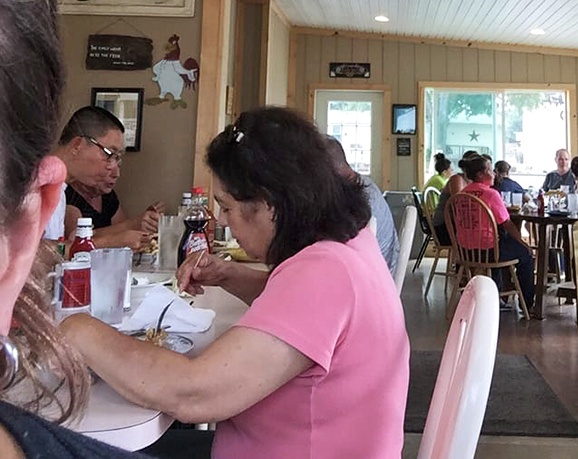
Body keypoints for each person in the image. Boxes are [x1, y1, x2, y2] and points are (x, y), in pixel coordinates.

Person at [61, 107, 410, 459]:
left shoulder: (324, 273)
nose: (224, 221)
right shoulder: (347, 245)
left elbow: (193, 394)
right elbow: (307, 317)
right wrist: (227, 274)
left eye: (226, 208)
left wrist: (76, 327)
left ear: (268, 203)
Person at [0, 0, 138, 458]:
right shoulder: (54, 197)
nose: (113, 167)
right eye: (108, 153)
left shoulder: (100, 195)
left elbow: (121, 231)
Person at [57, 106, 162, 249]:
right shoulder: (34, 187)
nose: (115, 171)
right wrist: (113, 241)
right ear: (77, 145)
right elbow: (37, 252)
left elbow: (57, 251)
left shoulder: (59, 192)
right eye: (109, 154)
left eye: (117, 158)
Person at [457, 154, 535, 310]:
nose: (494, 173)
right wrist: (522, 242)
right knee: (525, 254)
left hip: (465, 250)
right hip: (489, 251)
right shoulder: (491, 194)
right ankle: (528, 304)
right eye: (490, 170)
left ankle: (498, 295)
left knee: (500, 244)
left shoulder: (461, 194)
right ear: (480, 174)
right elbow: (507, 224)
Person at [326, 136, 400, 274]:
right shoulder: (363, 184)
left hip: (371, 277)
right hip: (381, 273)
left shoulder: (355, 198)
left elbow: (336, 251)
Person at [432, 151, 481, 243]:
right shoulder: (457, 179)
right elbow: (459, 204)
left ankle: (471, 255)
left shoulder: (473, 182)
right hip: (444, 226)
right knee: (479, 235)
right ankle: (468, 256)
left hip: (458, 224)